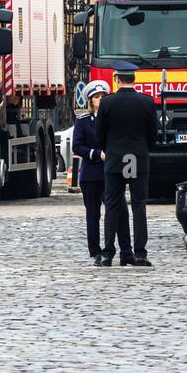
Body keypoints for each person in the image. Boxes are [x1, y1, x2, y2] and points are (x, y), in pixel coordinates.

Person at [95, 68, 158, 267]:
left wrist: (110, 150)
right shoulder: (147, 102)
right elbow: (153, 135)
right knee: (139, 206)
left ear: (117, 79)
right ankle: (139, 252)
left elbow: (100, 135)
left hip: (115, 159)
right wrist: (142, 149)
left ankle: (108, 253)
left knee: (112, 206)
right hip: (138, 158)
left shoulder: (107, 102)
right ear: (134, 79)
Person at [71, 80, 111, 265]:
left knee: (113, 212)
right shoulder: (83, 121)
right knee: (93, 215)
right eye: (97, 97)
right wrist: (96, 154)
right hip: (90, 174)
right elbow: (77, 146)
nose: (100, 100)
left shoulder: (113, 119)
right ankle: (95, 251)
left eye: (103, 96)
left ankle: (110, 248)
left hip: (110, 172)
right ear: (90, 100)